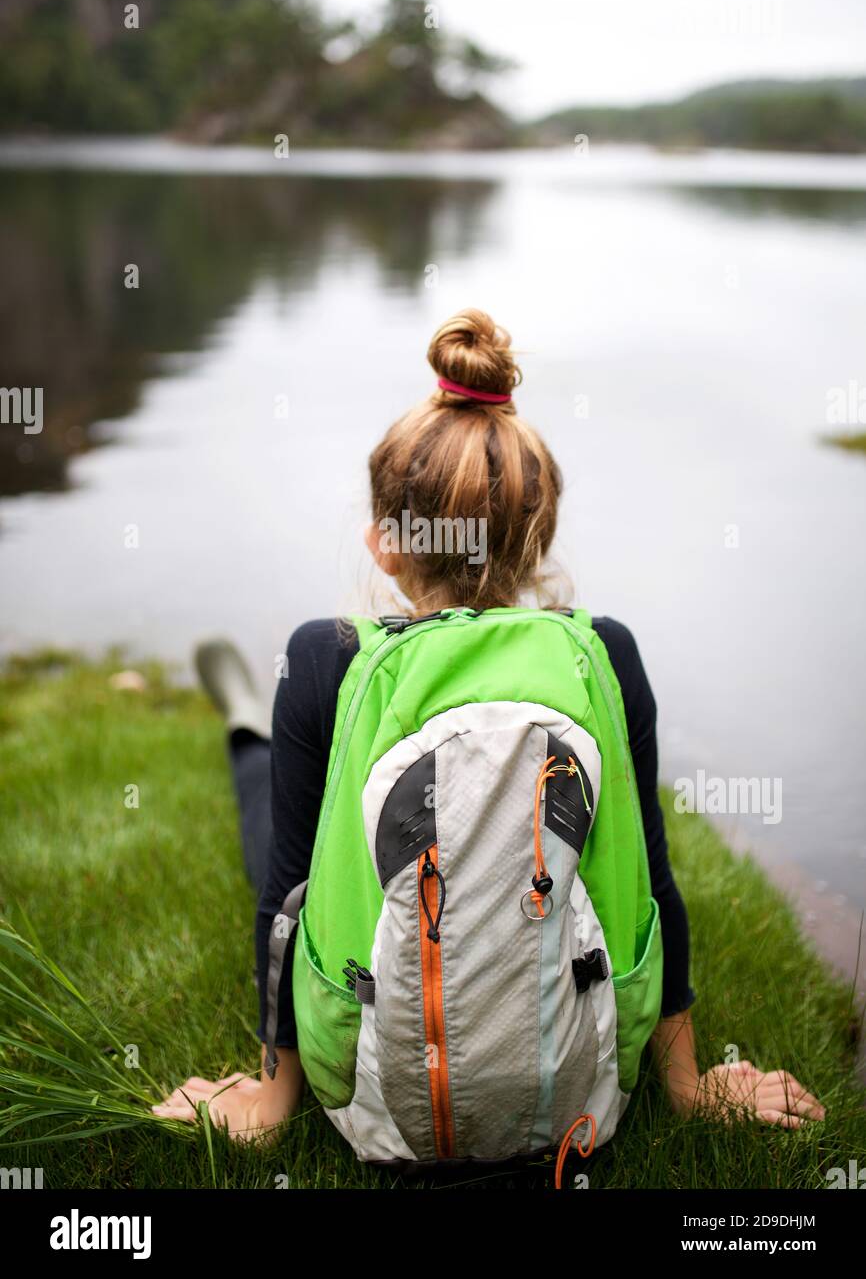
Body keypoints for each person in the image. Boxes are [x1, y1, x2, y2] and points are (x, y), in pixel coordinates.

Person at [153, 309, 824, 1145]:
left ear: (384, 546)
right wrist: (686, 1085)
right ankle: (250, 728)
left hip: (372, 1098)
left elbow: (287, 899)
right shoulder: (606, 654)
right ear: (536, 537)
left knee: (280, 825)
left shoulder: (325, 657)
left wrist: (271, 1095)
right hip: (585, 1092)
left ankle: (247, 728)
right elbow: (650, 884)